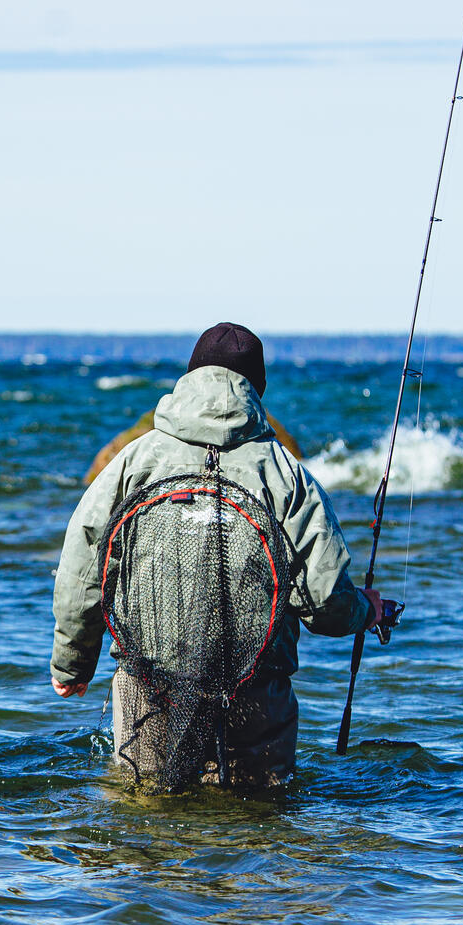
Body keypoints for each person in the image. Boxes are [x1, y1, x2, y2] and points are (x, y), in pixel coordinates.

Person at [49, 323, 391, 790]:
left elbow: (83, 567)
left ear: (188, 378)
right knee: (257, 832)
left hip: (149, 689)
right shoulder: (288, 476)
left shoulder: (132, 462)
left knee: (143, 828)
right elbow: (326, 602)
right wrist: (366, 610)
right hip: (256, 695)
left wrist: (72, 664)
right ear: (258, 390)